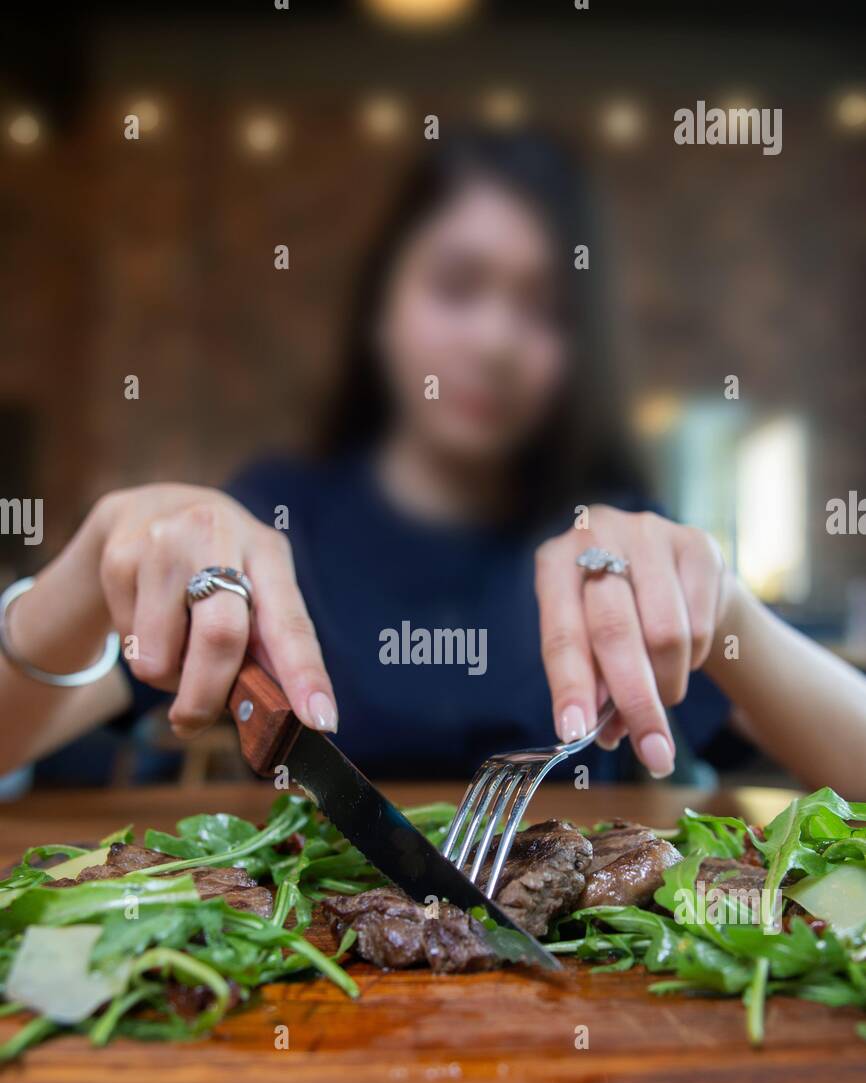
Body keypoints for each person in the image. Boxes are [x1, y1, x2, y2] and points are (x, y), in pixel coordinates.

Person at [0, 130, 864, 794]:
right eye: (458, 286)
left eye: (545, 309)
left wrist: (730, 613)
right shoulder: (270, 519)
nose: (496, 341)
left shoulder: (611, 544)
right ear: (383, 312)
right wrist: (83, 573)